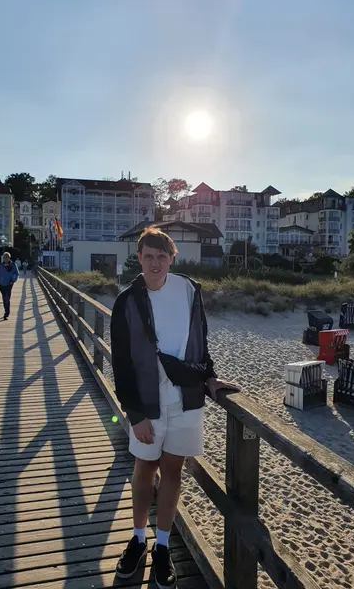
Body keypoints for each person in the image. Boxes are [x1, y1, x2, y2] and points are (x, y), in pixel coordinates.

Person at [110, 227, 237, 588]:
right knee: (144, 469)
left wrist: (211, 378)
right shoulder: (126, 301)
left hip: (186, 398)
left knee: (172, 471)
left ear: (171, 258)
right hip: (147, 400)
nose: (155, 263)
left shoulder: (189, 290)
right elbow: (120, 362)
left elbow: (200, 341)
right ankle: (138, 539)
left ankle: (162, 545)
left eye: (161, 257)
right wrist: (135, 415)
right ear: (139, 258)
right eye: (148, 256)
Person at [0, 252, 19, 320]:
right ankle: (6, 310)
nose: (5, 258)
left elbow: (17, 273)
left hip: (9, 284)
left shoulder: (13, 265)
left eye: (7, 257)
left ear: (9, 258)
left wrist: (13, 280)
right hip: (1, 284)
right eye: (4, 257)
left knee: (7, 298)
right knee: (4, 298)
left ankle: (6, 313)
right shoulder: (0, 265)